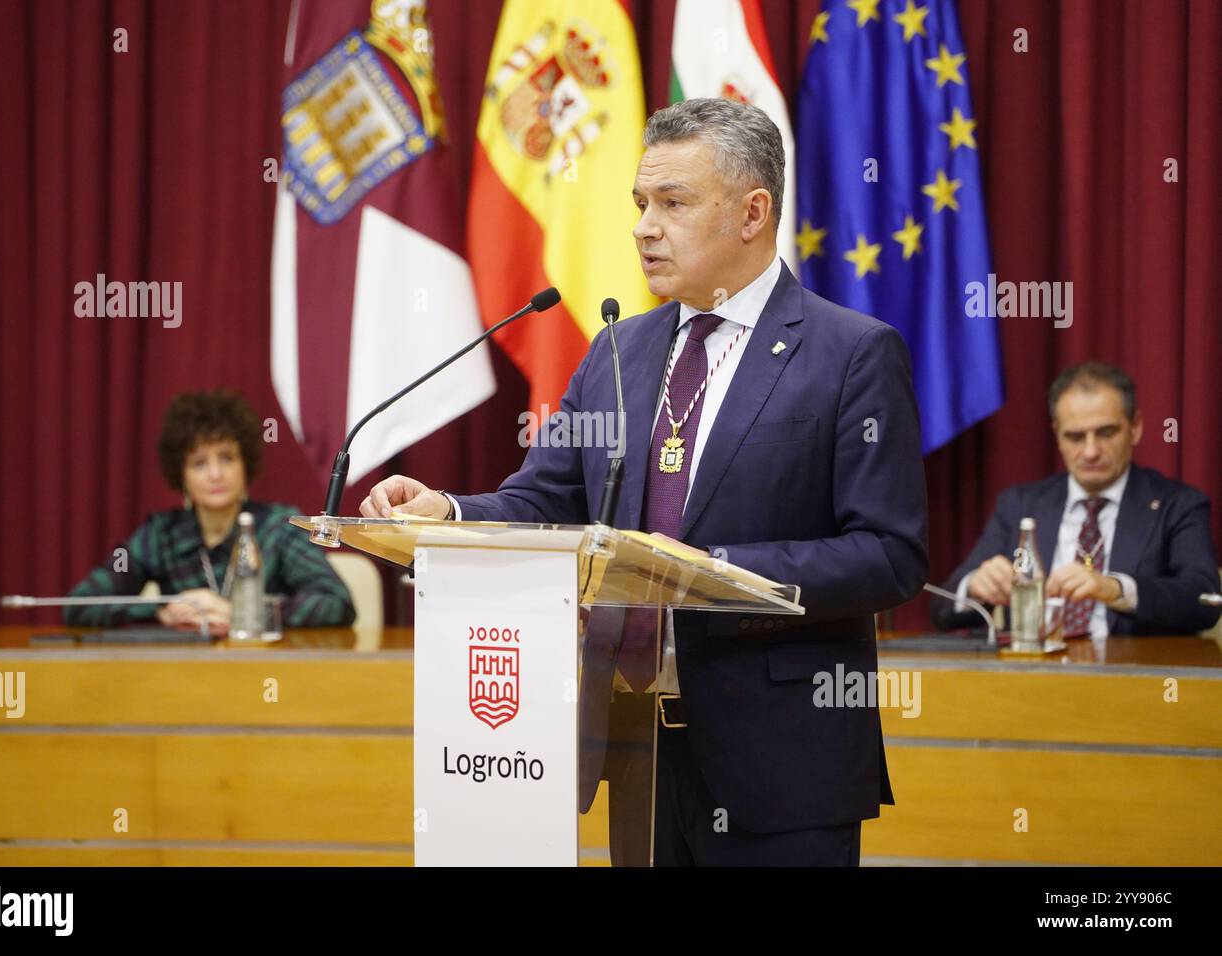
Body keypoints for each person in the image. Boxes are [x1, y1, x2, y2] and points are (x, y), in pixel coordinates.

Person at [359, 99, 928, 865]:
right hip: (632, 746)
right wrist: (448, 510)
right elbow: (545, 498)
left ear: (753, 212)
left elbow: (888, 556)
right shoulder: (620, 350)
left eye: (673, 203)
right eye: (639, 203)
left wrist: (710, 574)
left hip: (782, 760)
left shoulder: (849, 353)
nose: (643, 227)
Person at [934, 361, 1220, 637]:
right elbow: (941, 606)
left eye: (1106, 433)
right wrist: (973, 587)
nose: (1091, 451)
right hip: (1031, 676)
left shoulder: (1178, 505)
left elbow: (1204, 600)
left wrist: (1115, 589)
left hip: (1131, 675)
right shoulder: (1020, 504)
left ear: (1136, 427)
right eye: (1075, 437)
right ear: (1057, 435)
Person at [66, 390, 355, 632]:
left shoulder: (277, 528)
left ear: (246, 466)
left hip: (264, 673)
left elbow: (336, 603)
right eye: (199, 463)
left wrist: (245, 615)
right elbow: (80, 605)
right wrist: (161, 612)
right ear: (181, 476)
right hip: (184, 681)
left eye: (227, 458)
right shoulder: (161, 534)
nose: (215, 474)